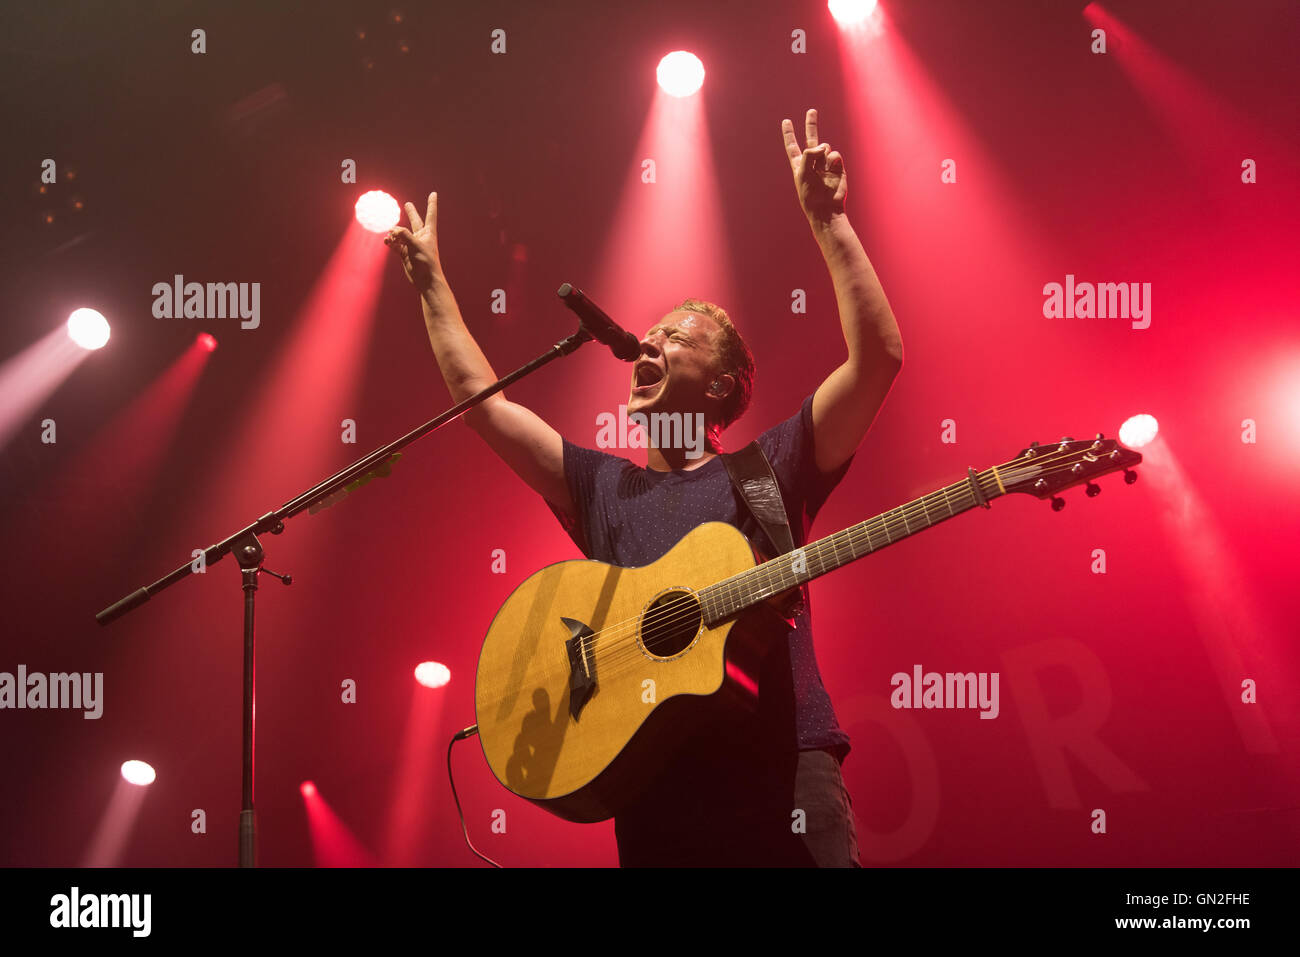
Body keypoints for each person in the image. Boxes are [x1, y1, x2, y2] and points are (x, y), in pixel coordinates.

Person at [387, 108, 902, 866]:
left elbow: (878, 360)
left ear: (722, 384)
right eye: (649, 333)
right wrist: (431, 282)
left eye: (678, 335)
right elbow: (483, 405)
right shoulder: (603, 487)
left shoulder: (771, 466)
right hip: (652, 783)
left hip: (782, 770)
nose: (650, 341)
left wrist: (829, 223)